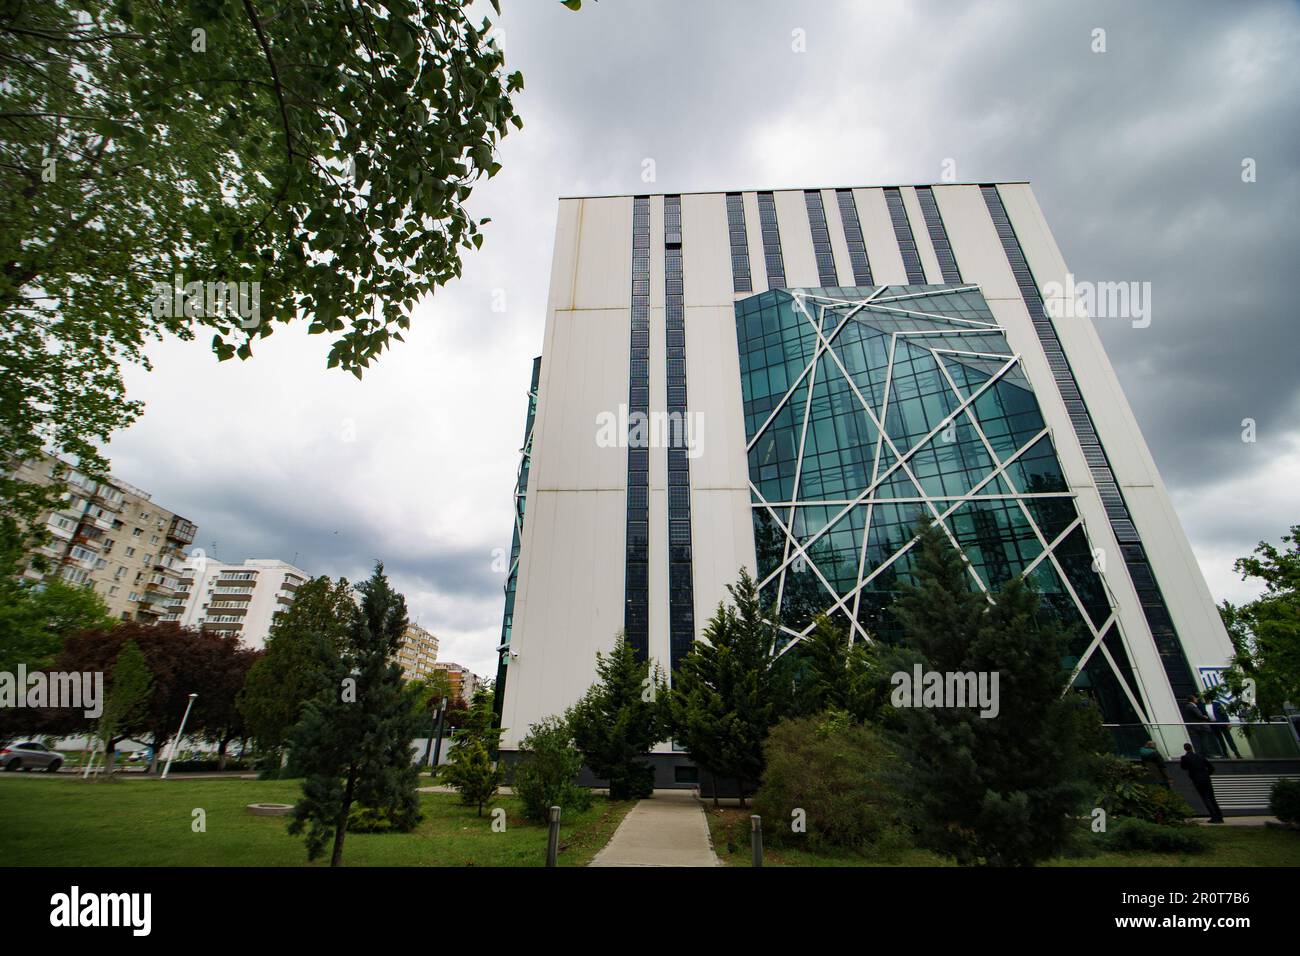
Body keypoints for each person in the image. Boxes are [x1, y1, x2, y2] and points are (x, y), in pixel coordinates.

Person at [1179, 743, 1224, 823]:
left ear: (1185, 749)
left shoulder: (1185, 758)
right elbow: (1211, 767)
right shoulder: (1200, 756)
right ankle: (1219, 816)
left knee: (1205, 798)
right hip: (1206, 778)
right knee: (1212, 798)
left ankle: (1214, 816)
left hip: (1197, 779)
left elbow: (1183, 767)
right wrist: (1207, 774)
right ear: (1191, 748)